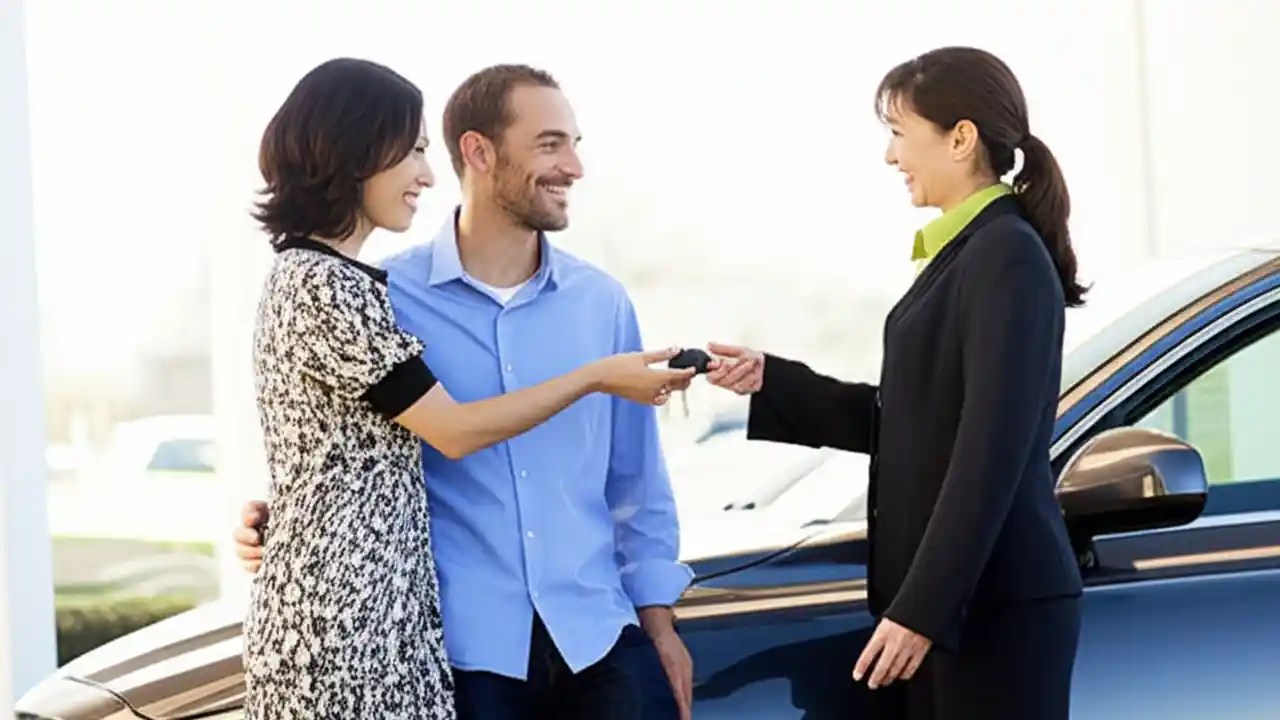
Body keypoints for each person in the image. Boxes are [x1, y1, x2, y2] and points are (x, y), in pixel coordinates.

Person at [236, 64, 694, 720]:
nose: (574, 167)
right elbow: (356, 443)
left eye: (575, 144)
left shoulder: (602, 304)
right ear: (479, 152)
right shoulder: (384, 297)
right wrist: (280, 524)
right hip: (465, 654)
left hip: (599, 636)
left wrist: (660, 625)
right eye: (549, 144)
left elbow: (637, 485)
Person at [705, 47, 1086, 720]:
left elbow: (988, 451)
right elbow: (916, 421)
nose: (890, 157)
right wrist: (775, 383)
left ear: (961, 138)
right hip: (956, 610)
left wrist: (924, 610)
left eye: (899, 133)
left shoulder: (1005, 255)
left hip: (989, 613)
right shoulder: (968, 253)